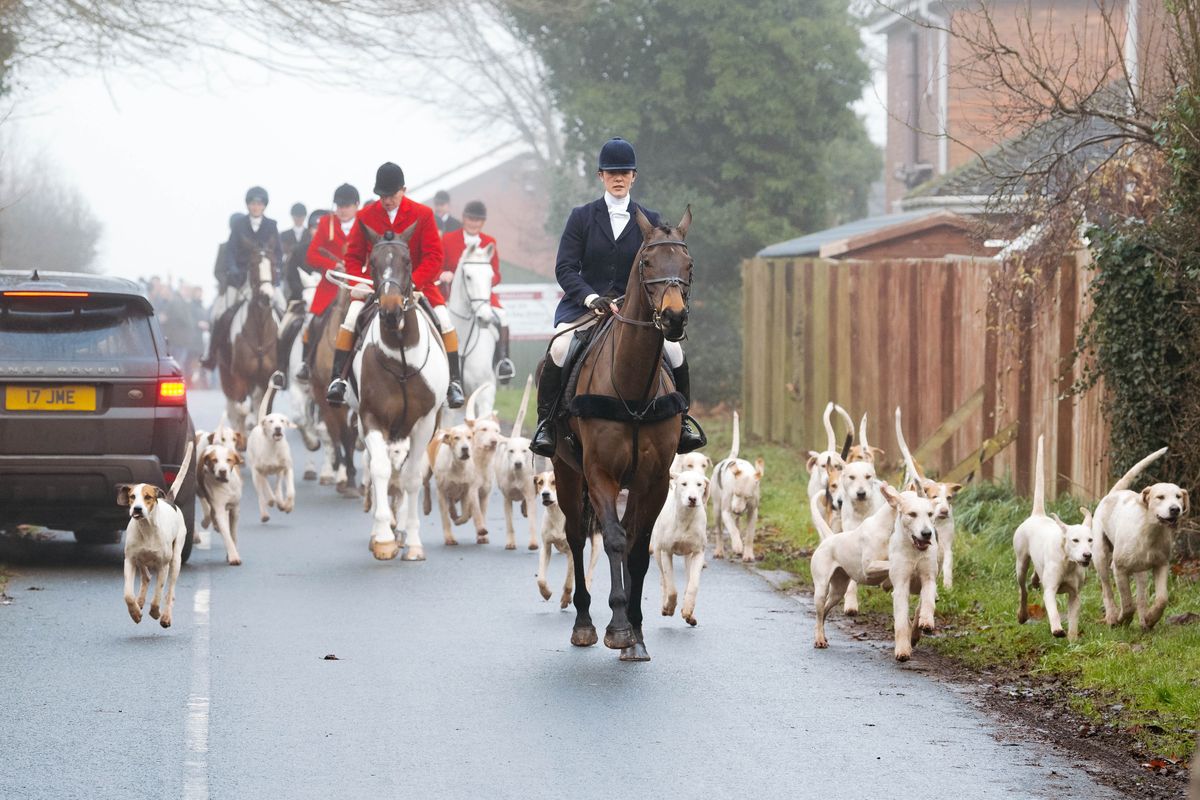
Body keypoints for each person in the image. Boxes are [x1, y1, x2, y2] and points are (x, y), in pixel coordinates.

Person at [530, 137, 703, 457]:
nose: (618, 178)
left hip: (636, 308)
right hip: (586, 307)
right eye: (612, 173)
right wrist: (590, 297)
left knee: (675, 352)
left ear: (634, 176)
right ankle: (547, 424)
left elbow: (659, 268)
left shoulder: (650, 219)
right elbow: (565, 267)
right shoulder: (581, 217)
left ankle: (683, 422)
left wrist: (635, 300)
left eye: (624, 172)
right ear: (601, 177)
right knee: (559, 347)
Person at [326, 163, 466, 409]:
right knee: (350, 318)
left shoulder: (422, 214)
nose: (387, 200)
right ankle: (339, 380)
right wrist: (357, 280)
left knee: (445, 321)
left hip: (418, 285)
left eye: (391, 195)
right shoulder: (365, 216)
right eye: (382, 195)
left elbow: (435, 256)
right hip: (375, 287)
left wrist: (413, 282)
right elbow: (354, 256)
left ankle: (454, 382)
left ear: (403, 190)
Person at [200, 187, 284, 368]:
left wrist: (276, 275)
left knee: (283, 311)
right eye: (253, 203)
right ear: (248, 205)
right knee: (220, 314)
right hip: (240, 280)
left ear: (264, 206)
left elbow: (278, 253)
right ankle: (211, 355)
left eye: (259, 204)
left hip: (265, 279)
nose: (255, 207)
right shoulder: (239, 225)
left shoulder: (272, 225)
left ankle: (284, 360)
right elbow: (230, 252)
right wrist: (234, 270)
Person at [439, 200, 515, 384]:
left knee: (502, 316)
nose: (474, 223)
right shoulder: (448, 239)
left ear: (483, 222)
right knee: (437, 318)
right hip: (451, 295)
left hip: (482, 296)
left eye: (478, 220)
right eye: (471, 219)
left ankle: (502, 361)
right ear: (464, 219)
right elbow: (438, 266)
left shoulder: (490, 242)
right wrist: (443, 274)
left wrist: (486, 280)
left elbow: (496, 274)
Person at [296, 184, 360, 384]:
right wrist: (333, 265)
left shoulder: (365, 223)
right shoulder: (326, 223)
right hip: (330, 285)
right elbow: (311, 255)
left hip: (358, 284)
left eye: (347, 206)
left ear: (356, 205)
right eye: (339, 205)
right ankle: (306, 363)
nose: (342, 210)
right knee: (312, 320)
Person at [275, 204, 324, 388]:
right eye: (314, 227)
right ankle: (281, 370)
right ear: (310, 229)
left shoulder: (334, 250)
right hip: (301, 299)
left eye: (321, 228)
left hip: (328, 301)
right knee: (283, 329)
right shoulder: (299, 250)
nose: (317, 231)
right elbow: (290, 276)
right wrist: (301, 292)